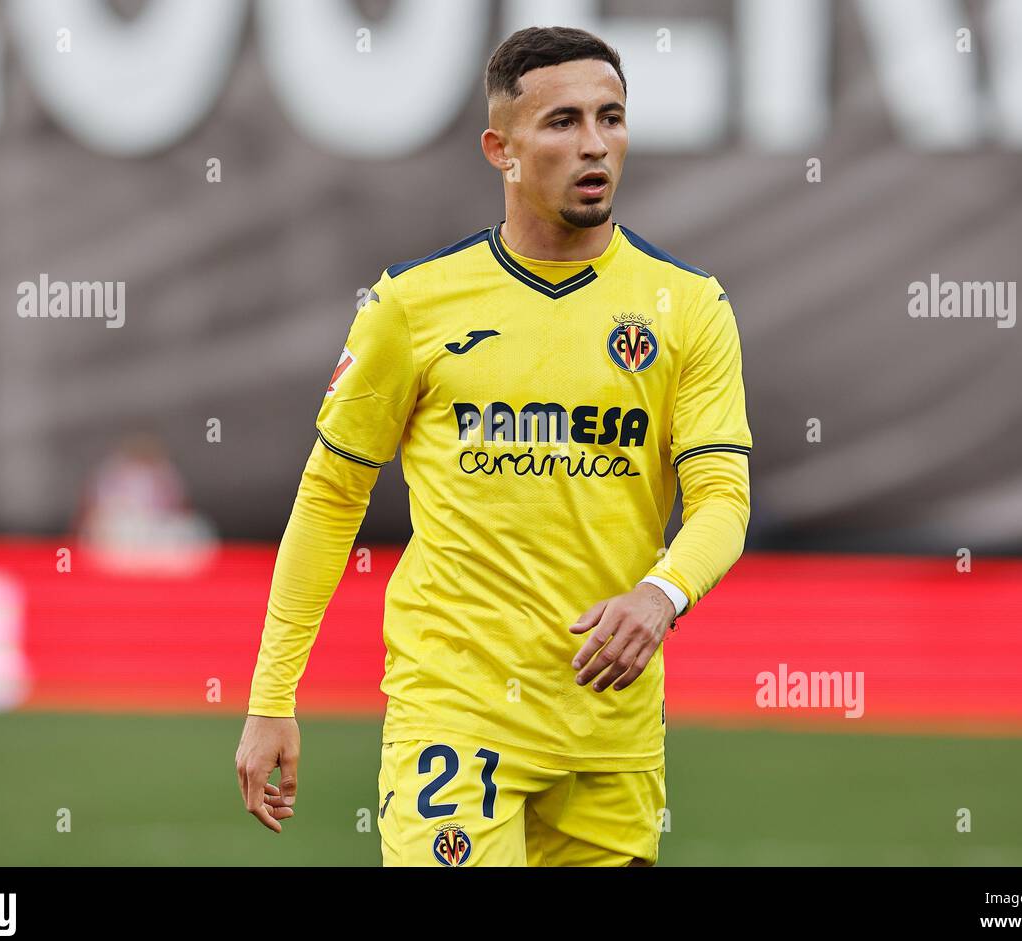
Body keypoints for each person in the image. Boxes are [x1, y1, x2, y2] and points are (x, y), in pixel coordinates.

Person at [235, 25, 752, 867]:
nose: (595, 144)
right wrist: (271, 695)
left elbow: (724, 498)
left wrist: (660, 595)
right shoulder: (411, 307)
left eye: (611, 117)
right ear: (500, 150)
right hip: (456, 713)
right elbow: (331, 497)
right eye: (562, 122)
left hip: (608, 730)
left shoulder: (688, 308)